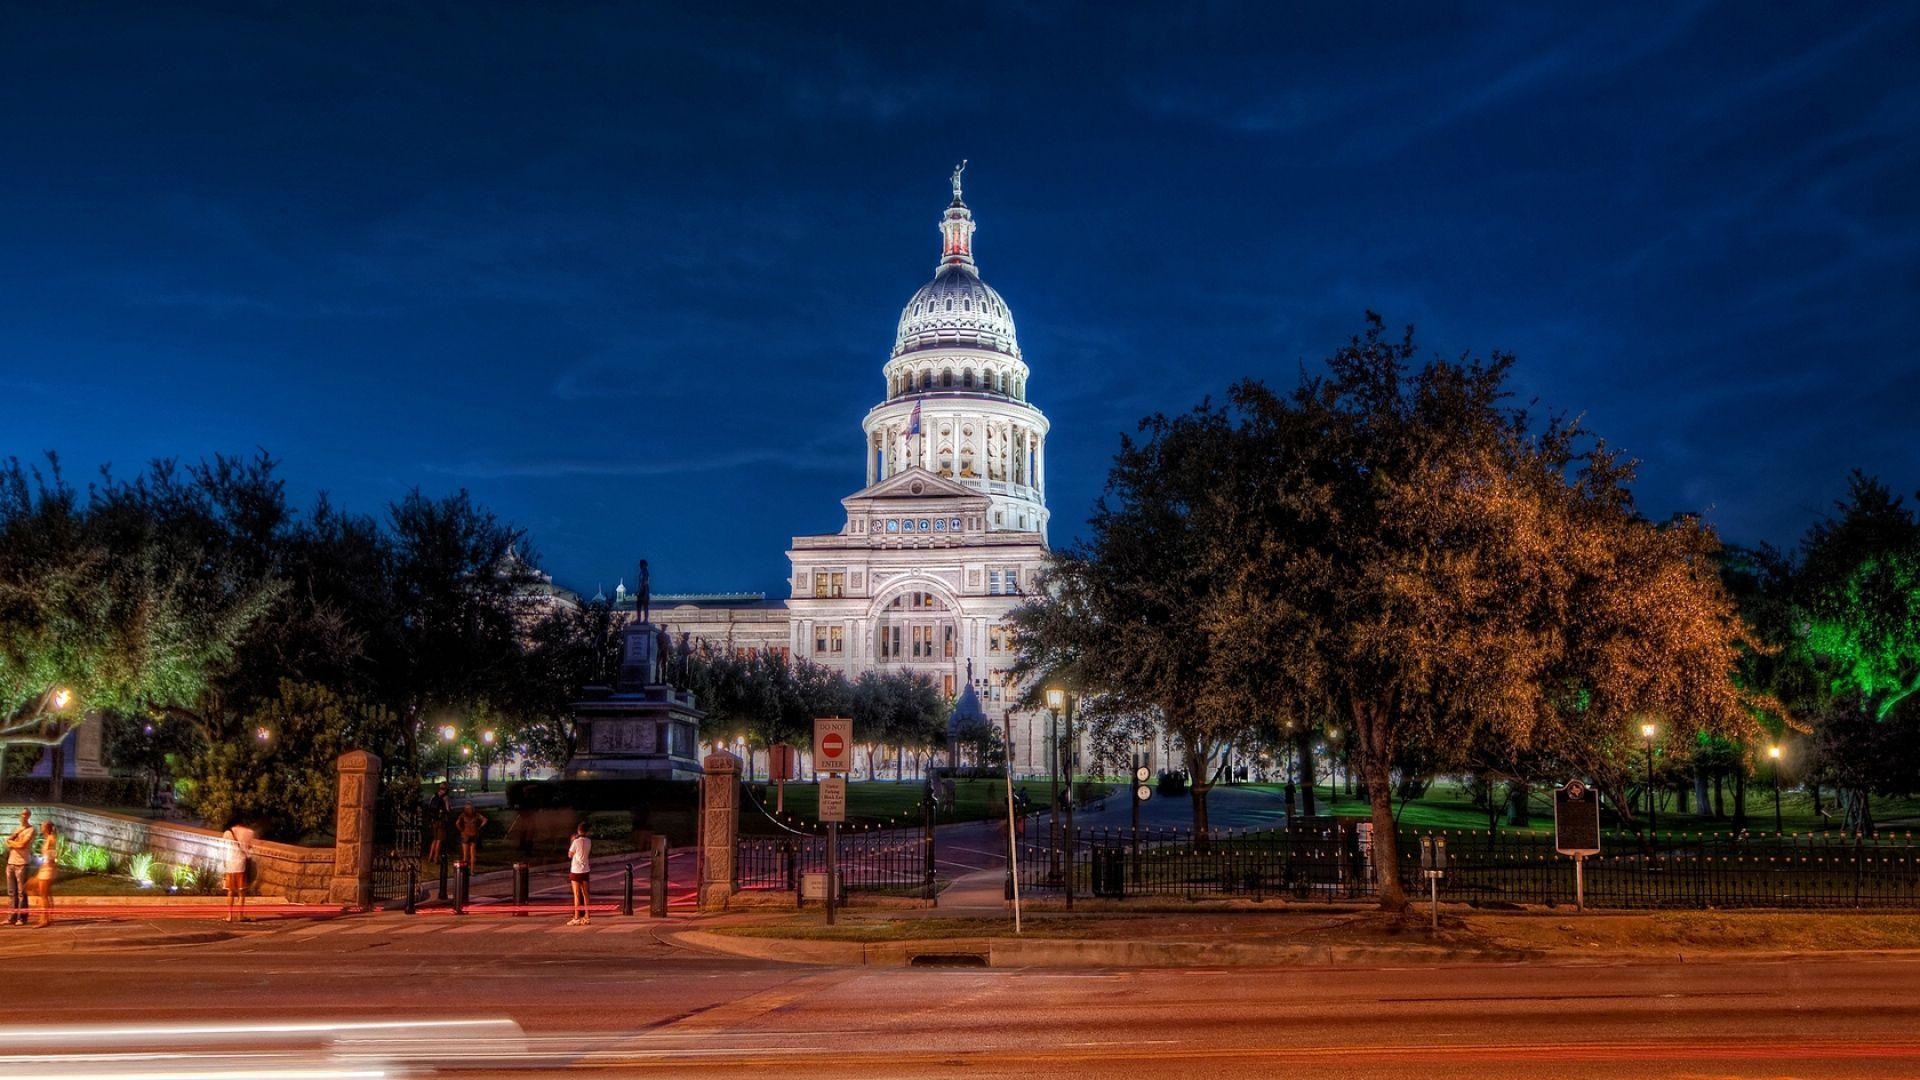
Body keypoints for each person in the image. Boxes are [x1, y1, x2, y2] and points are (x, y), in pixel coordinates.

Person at [6, 809, 34, 926]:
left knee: (22, 892)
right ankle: (11, 917)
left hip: (22, 863)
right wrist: (14, 843)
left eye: (25, 814)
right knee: (12, 892)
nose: (23, 816)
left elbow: (23, 844)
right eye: (22, 814)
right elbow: (7, 843)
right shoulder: (16, 829)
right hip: (11, 862)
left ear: (29, 816)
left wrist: (12, 843)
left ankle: (22, 917)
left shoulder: (31, 830)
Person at [222, 823, 254, 922]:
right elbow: (249, 852)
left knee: (230, 891)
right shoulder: (248, 833)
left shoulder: (227, 833)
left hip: (230, 865)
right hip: (240, 865)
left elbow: (223, 849)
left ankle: (229, 916)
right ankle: (240, 916)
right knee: (241, 892)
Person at [566, 821, 592, 926]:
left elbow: (570, 855)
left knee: (576, 895)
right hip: (585, 869)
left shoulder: (575, 842)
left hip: (576, 870)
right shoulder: (589, 841)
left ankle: (576, 917)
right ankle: (587, 916)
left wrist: (573, 841)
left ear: (578, 830)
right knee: (586, 894)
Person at [32, 822, 58, 928]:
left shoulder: (51, 839)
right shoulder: (48, 838)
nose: (41, 827)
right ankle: (47, 916)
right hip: (45, 869)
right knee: (44, 894)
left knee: (43, 895)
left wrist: (47, 864)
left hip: (47, 869)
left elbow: (52, 855)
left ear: (46, 828)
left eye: (42, 826)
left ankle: (44, 919)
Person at [424, 783, 451, 865]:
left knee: (434, 839)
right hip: (441, 821)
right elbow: (448, 809)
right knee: (439, 840)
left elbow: (429, 806)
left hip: (433, 821)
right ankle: (436, 859)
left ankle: (430, 858)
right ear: (446, 789)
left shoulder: (434, 795)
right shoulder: (445, 797)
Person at [454, 802, 487, 869]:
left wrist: (461, 829)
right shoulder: (476, 815)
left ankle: (465, 870)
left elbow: (457, 823)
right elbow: (485, 820)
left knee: (465, 854)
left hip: (465, 834)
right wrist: (479, 827)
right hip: (474, 833)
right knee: (472, 854)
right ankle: (472, 870)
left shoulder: (463, 815)